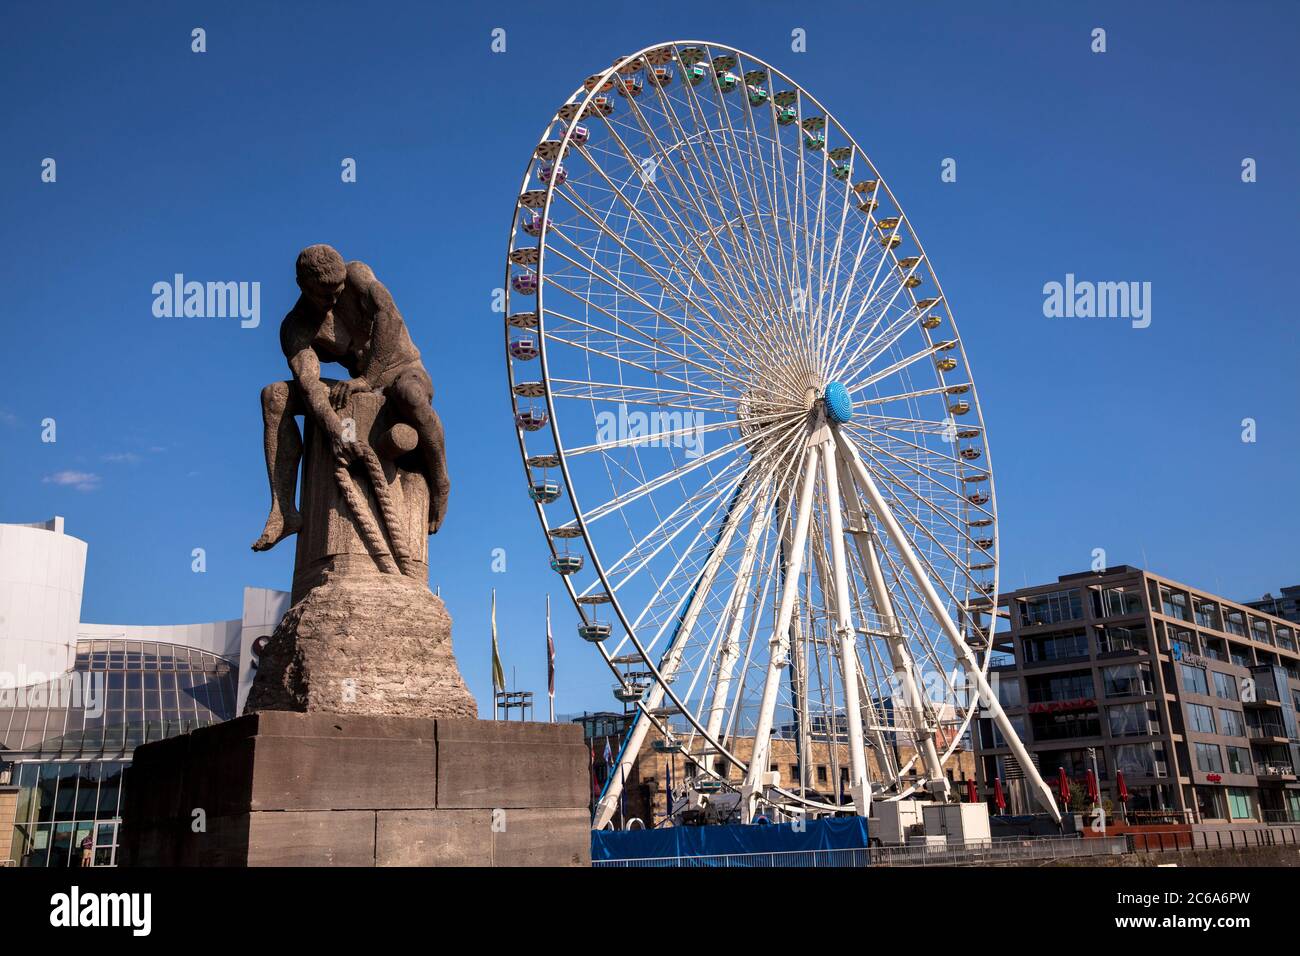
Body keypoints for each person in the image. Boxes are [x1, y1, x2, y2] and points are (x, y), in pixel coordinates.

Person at [252, 244, 449, 551]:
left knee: (409, 395)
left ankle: (441, 480)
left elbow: (389, 318)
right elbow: (309, 383)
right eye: (325, 294)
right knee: (275, 396)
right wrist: (335, 429)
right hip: (357, 384)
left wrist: (366, 379)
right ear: (304, 287)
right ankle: (283, 509)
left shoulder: (358, 276)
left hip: (403, 370)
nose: (334, 299)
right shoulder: (296, 327)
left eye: (338, 290)